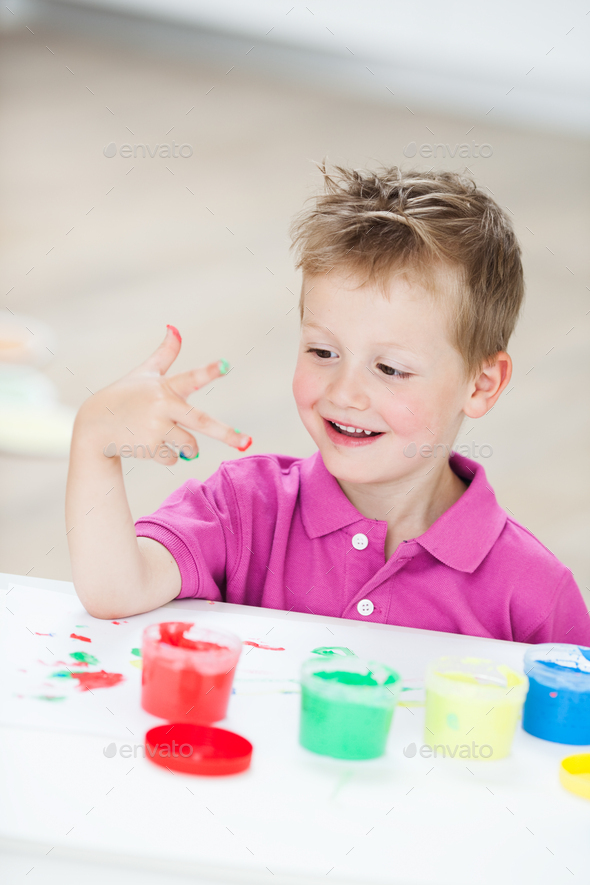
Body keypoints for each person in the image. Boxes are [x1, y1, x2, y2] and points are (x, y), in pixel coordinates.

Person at [66, 165, 590, 644]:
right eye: (323, 352)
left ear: (481, 385)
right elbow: (116, 589)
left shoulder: (535, 593)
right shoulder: (245, 508)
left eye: (390, 369)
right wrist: (95, 442)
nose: (343, 393)